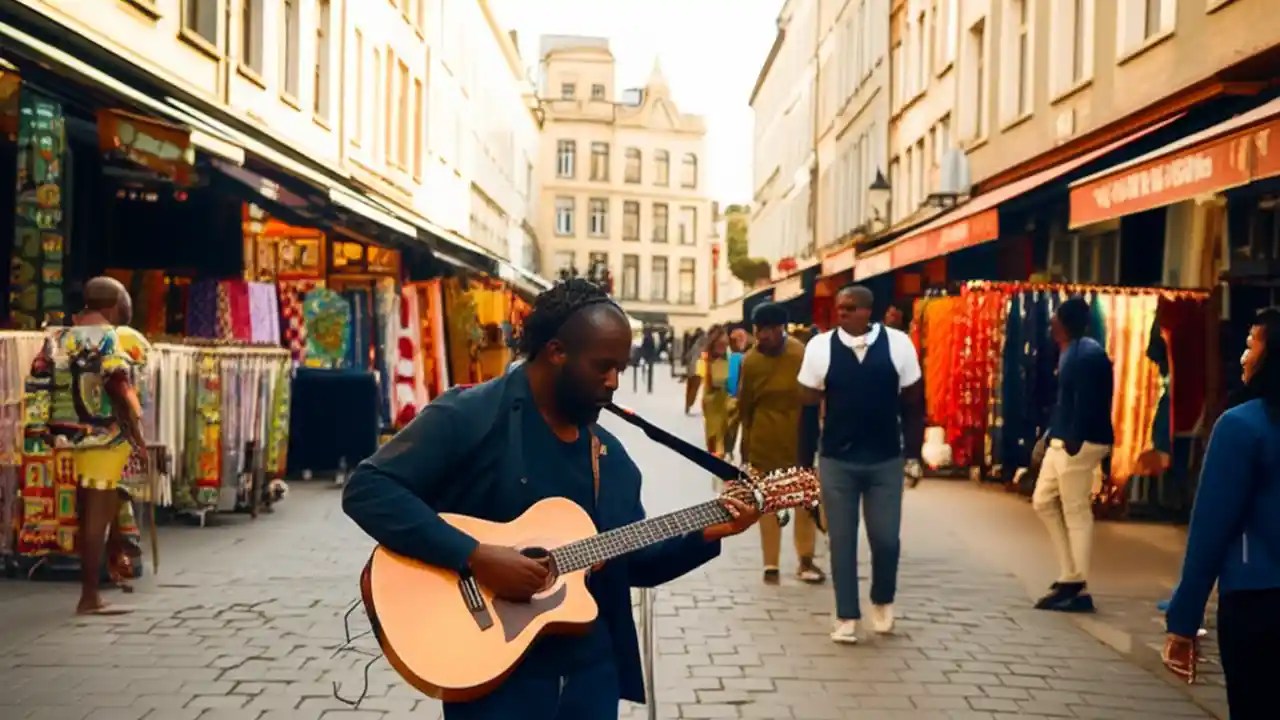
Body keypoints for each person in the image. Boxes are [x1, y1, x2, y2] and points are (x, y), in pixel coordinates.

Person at [342, 279, 759, 719]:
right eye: (603, 367)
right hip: (494, 671)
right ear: (557, 352)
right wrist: (475, 555)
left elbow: (632, 561)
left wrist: (709, 532)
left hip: (591, 676)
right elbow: (369, 488)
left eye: (620, 367)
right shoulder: (473, 414)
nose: (614, 382)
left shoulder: (611, 459)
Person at [1164, 307, 1280, 717]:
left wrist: (1183, 620)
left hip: (1258, 604)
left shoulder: (1242, 427)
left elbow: (1210, 531)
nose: (1244, 357)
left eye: (1252, 346)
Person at [798, 285, 923, 643]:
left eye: (850, 308)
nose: (842, 312)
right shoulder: (820, 348)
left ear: (869, 311)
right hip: (837, 460)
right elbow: (807, 412)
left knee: (885, 539)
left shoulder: (899, 345)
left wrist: (913, 455)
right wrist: (804, 465)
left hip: (885, 459)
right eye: (839, 307)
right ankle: (846, 615)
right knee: (841, 540)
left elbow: (914, 404)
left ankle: (882, 598)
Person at [41, 277, 150, 615]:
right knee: (97, 519)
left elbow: (39, 380)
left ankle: (91, 592)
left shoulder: (58, 337)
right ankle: (90, 596)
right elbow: (118, 384)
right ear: (115, 304)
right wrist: (138, 434)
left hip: (71, 437)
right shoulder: (108, 338)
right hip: (105, 438)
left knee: (88, 511)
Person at [1031, 297, 1114, 613]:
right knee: (1044, 500)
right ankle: (1071, 574)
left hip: (1078, 442)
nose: (1051, 325)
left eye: (1055, 321)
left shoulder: (1086, 355)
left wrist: (1074, 440)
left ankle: (1076, 583)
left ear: (1065, 324)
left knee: (1076, 509)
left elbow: (1087, 403)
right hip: (1065, 438)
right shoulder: (1074, 352)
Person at [739, 302, 823, 585]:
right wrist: (745, 449)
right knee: (769, 503)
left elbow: (814, 398)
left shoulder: (800, 353)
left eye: (767, 330)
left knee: (805, 500)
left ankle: (806, 559)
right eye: (758, 330)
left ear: (780, 329)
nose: (762, 336)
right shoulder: (750, 361)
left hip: (799, 436)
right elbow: (745, 407)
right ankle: (770, 564)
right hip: (764, 438)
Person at [700, 327, 732, 457]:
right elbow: (709, 382)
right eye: (720, 344)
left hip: (726, 404)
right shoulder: (705, 359)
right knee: (714, 439)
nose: (723, 347)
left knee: (725, 438)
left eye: (725, 344)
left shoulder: (729, 359)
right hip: (712, 404)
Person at [723, 326, 752, 462]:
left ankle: (739, 456)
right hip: (734, 397)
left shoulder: (743, 357)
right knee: (733, 427)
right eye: (738, 339)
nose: (741, 342)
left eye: (742, 339)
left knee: (742, 429)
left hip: (739, 397)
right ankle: (730, 452)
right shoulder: (737, 357)